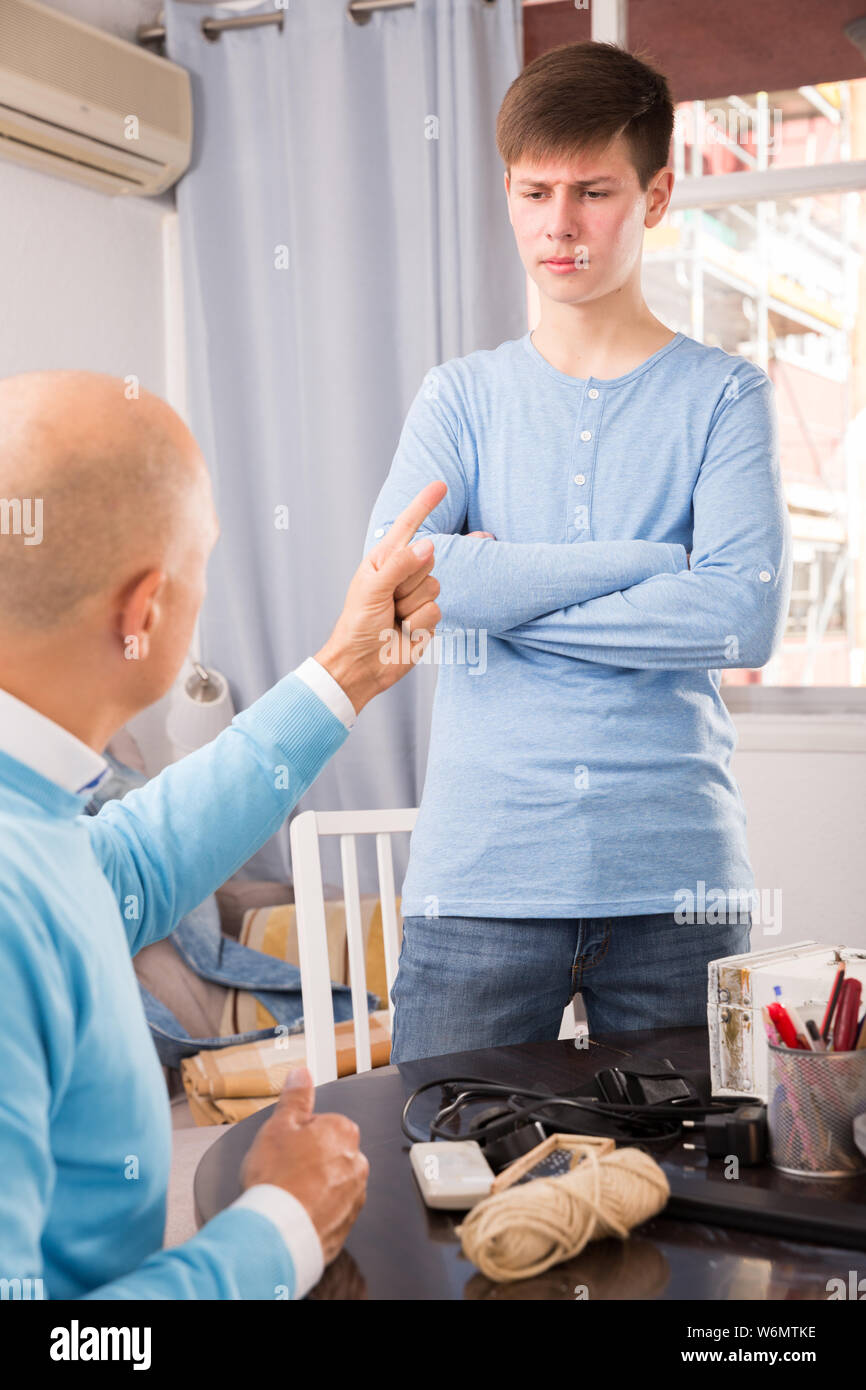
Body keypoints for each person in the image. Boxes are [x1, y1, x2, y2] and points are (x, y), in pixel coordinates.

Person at [363, 41, 793, 1063]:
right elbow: (400, 578)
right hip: (479, 880)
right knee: (444, 1178)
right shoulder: (457, 396)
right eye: (533, 191)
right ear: (506, 193)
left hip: (675, 880)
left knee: (690, 1196)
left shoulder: (725, 397)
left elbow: (739, 616)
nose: (557, 225)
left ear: (653, 197)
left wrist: (495, 588)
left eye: (592, 191)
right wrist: (645, 561)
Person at [0, 368, 446, 1299]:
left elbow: (129, 862)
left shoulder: (34, 824)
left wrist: (345, 673)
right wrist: (278, 1227)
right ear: (148, 609)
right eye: (205, 561)